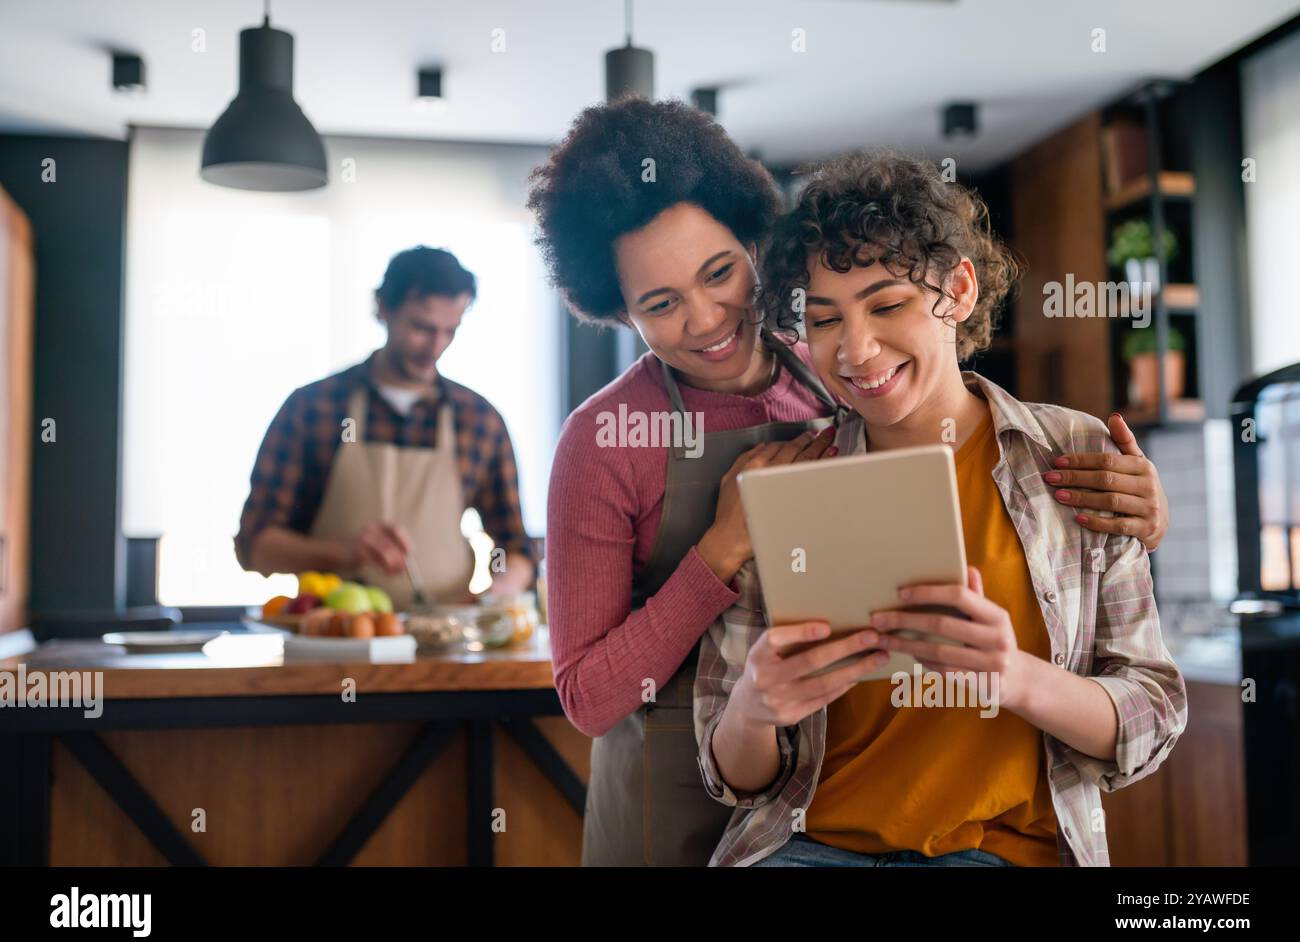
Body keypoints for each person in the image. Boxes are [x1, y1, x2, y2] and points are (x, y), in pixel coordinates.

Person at [530, 98, 1172, 866]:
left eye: (720, 273)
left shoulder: (849, 385)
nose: (704, 319)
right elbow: (595, 700)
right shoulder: (610, 441)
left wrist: (1137, 517)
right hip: (695, 803)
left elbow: (1139, 685)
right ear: (620, 311)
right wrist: (724, 551)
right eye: (660, 304)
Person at [694, 149, 1187, 867]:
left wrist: (1015, 676)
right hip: (807, 848)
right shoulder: (788, 482)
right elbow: (733, 775)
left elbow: (1156, 712)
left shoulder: (1073, 455)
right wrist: (754, 707)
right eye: (825, 319)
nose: (856, 349)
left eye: (887, 304)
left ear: (957, 289)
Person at [235, 246, 535, 608]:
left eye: (449, 331)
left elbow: (515, 548)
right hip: (334, 641)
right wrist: (343, 552)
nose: (435, 346)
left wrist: (500, 591)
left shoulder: (478, 420)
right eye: (421, 328)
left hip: (446, 641)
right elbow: (256, 547)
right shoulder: (314, 408)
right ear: (382, 308)